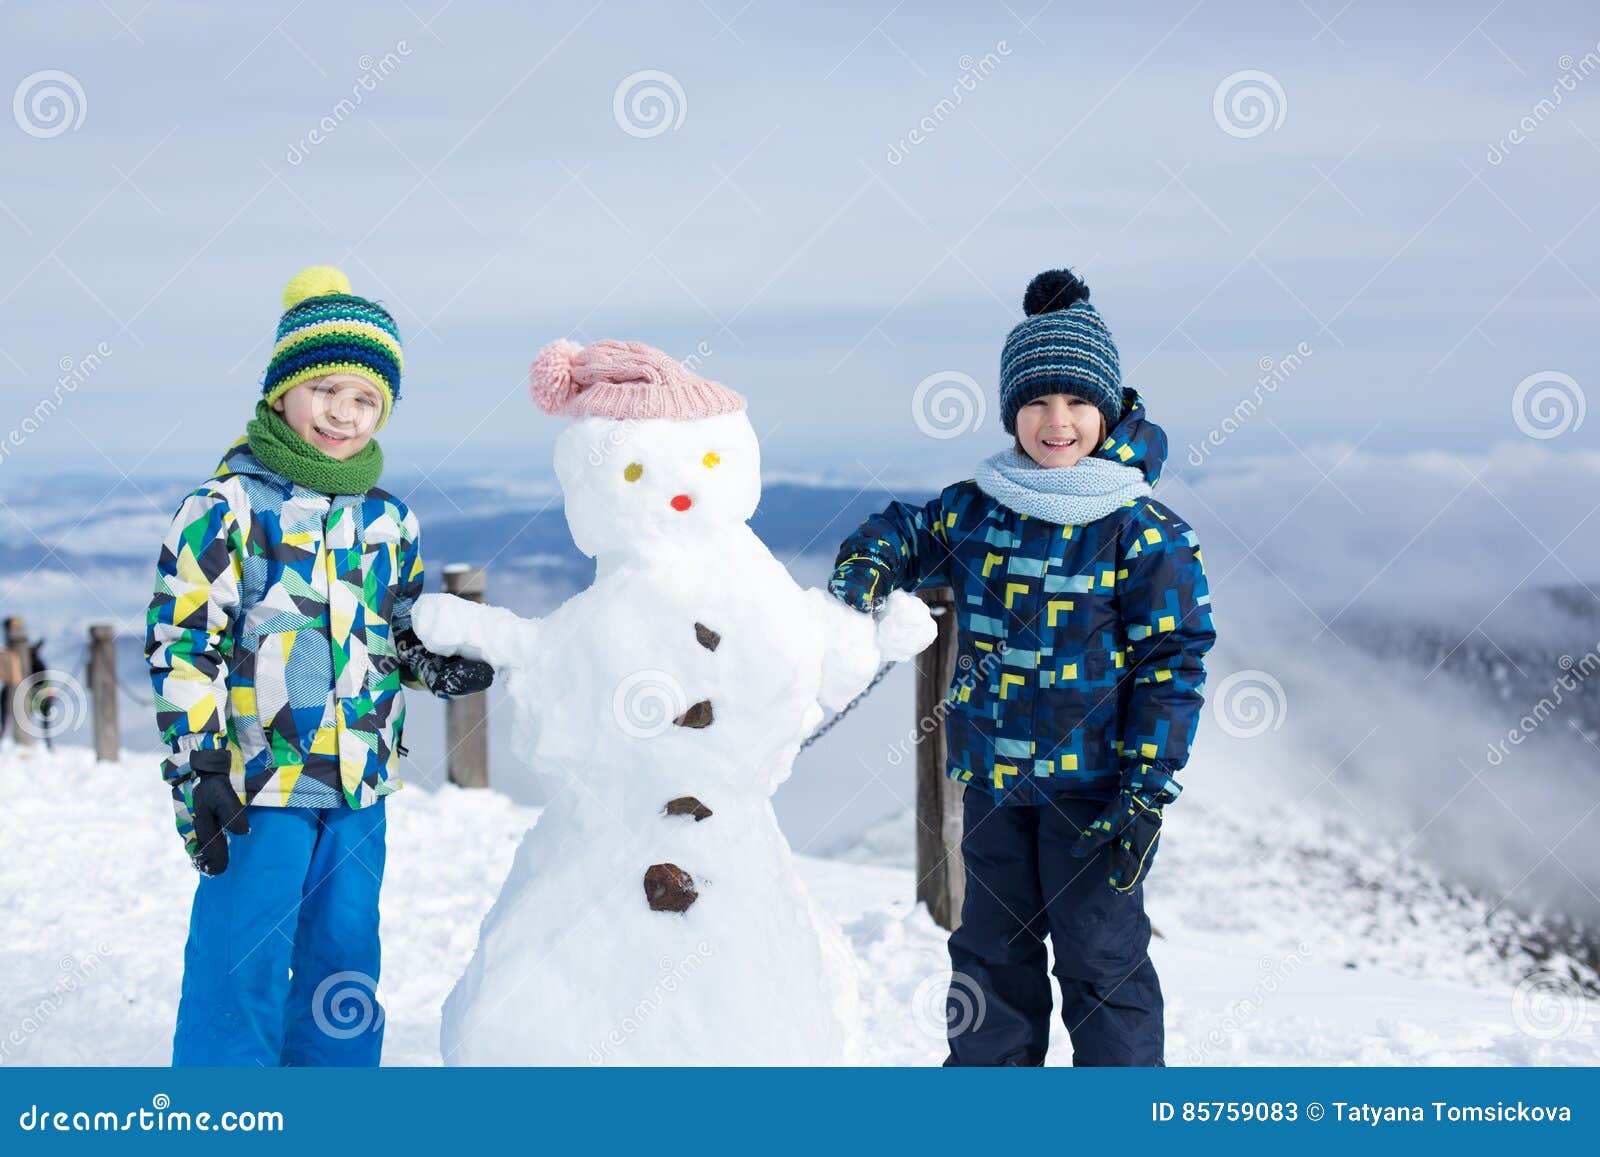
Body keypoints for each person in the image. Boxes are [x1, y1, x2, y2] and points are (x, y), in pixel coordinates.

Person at [828, 268, 1216, 1066]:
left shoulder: (1140, 528)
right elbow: (905, 529)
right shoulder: (980, 507)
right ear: (1013, 413)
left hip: (1098, 796)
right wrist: (869, 561)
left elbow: (1172, 661)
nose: (1057, 420)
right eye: (1037, 401)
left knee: (1100, 963)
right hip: (996, 786)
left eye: (1077, 401)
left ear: (1106, 411)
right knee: (990, 958)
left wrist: (1146, 787)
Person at [144, 265, 494, 1067]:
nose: (344, 411)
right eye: (326, 388)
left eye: (366, 398)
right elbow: (185, 644)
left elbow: (392, 626)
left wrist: (426, 662)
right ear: (283, 392)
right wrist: (199, 767)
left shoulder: (389, 520)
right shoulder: (227, 508)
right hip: (255, 782)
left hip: (360, 782)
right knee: (242, 966)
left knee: (345, 966)